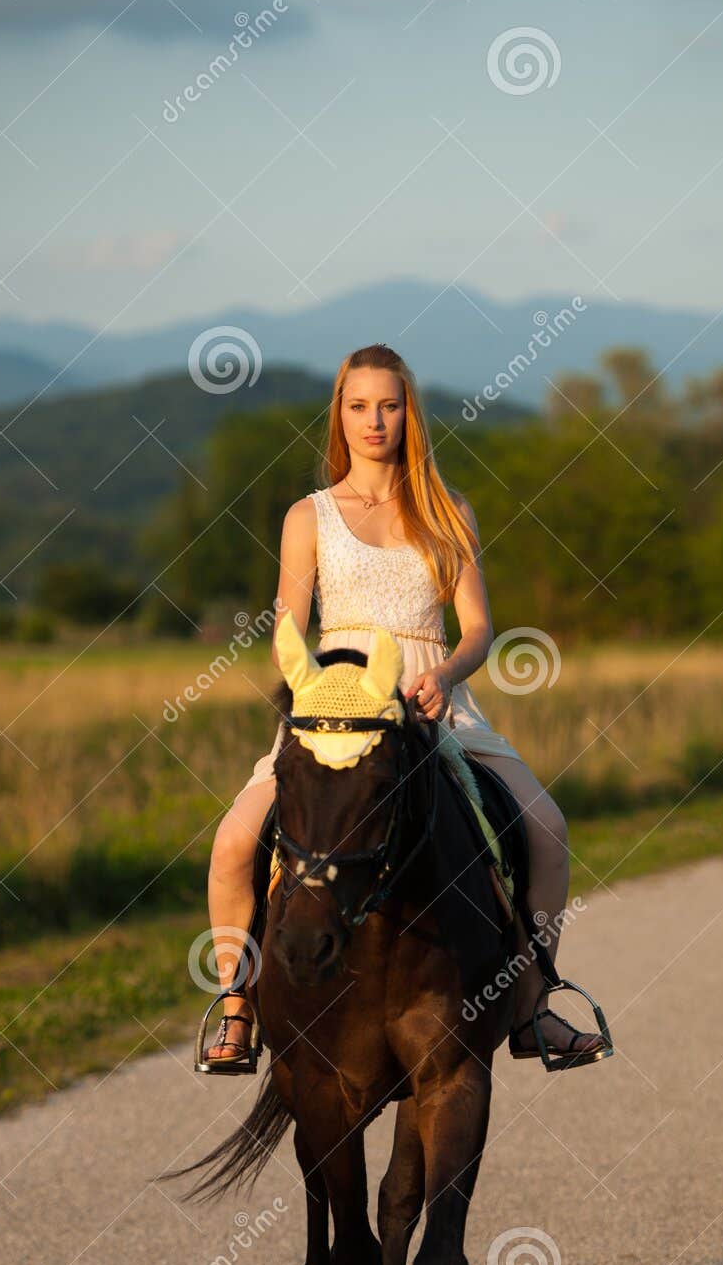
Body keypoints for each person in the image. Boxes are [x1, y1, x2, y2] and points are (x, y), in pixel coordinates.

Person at [201, 341, 607, 1071]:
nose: (374, 420)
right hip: (336, 709)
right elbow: (285, 634)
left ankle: (531, 1006)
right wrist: (321, 693)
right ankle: (235, 1009)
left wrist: (446, 675)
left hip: (435, 702)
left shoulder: (449, 510)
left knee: (546, 827)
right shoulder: (308, 515)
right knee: (234, 844)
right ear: (340, 415)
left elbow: (479, 629)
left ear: (408, 413)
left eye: (388, 405)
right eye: (358, 406)